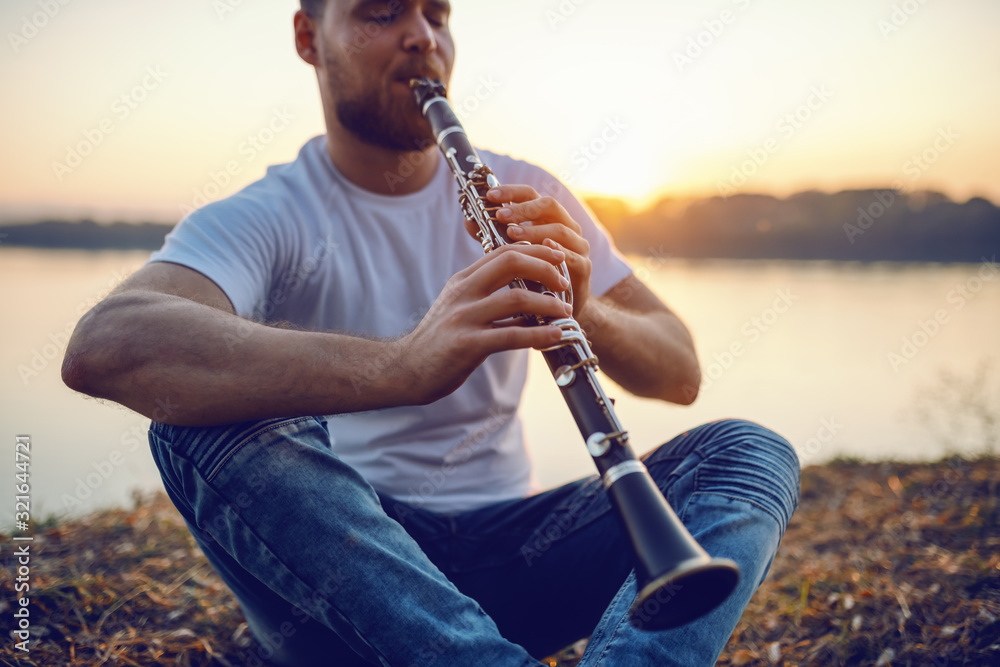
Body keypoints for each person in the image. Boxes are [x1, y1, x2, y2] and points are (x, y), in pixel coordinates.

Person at [62, 1, 800, 665]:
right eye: (381, 13)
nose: (421, 36)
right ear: (307, 37)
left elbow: (680, 372)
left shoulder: (528, 191)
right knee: (193, 424)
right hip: (345, 577)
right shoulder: (271, 213)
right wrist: (403, 366)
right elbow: (109, 344)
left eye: (437, 14)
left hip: (521, 553)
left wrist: (585, 306)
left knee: (750, 450)